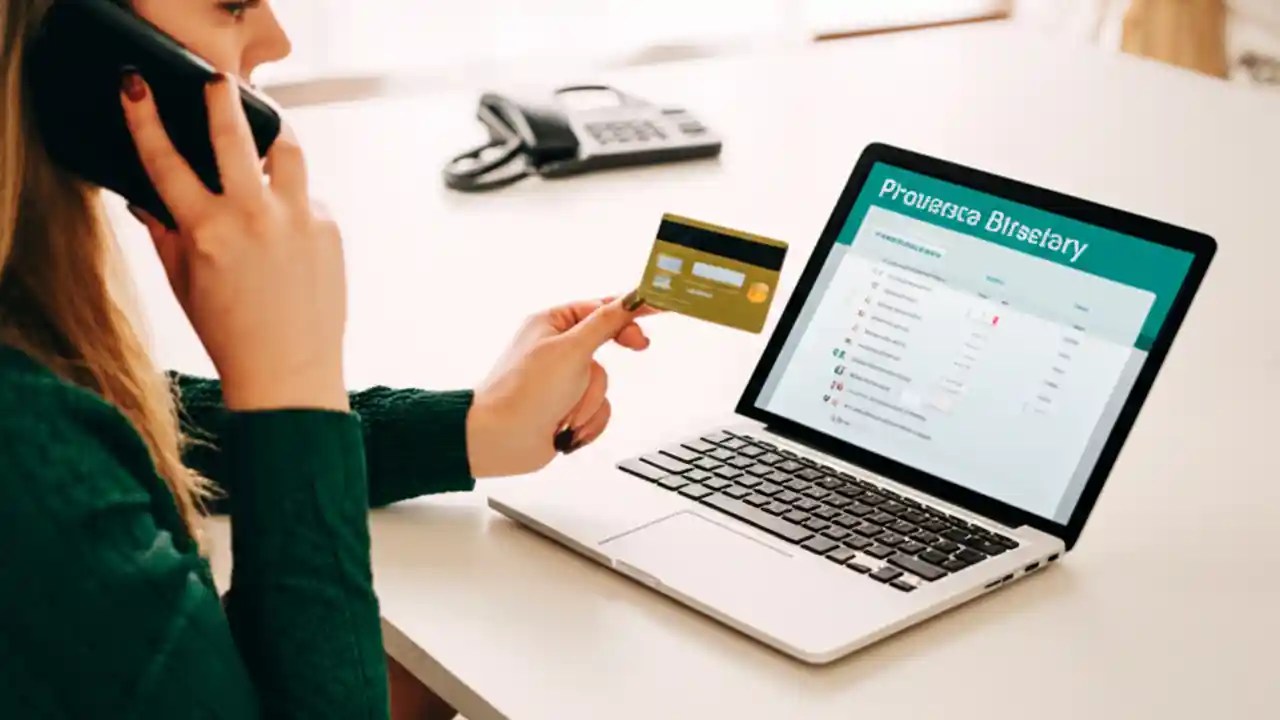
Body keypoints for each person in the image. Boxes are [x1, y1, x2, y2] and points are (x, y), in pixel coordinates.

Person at [0, 1, 655, 718]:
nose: (276, 40)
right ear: (66, 29)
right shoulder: (24, 453)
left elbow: (134, 427)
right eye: (230, 5)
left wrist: (465, 428)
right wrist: (291, 373)